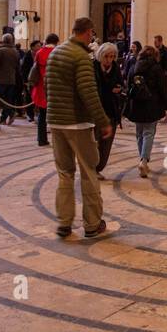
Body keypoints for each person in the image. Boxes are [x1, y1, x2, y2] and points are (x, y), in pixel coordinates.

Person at [45, 17, 112, 238]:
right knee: (88, 171)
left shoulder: (55, 53)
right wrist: (103, 121)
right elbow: (88, 93)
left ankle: (64, 222)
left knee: (64, 172)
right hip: (78, 123)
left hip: (56, 122)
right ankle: (92, 223)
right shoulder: (81, 57)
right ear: (88, 32)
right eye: (92, 34)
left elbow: (47, 86)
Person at [125, 46, 167, 178]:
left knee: (139, 133)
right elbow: (162, 89)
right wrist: (166, 106)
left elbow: (128, 85)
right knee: (149, 133)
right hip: (151, 104)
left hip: (137, 104)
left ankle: (142, 159)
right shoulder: (156, 68)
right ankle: (144, 161)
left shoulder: (134, 67)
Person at [93, 43, 124, 176]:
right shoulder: (92, 67)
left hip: (111, 109)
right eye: (107, 56)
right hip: (96, 109)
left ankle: (99, 168)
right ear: (101, 55)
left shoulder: (116, 68)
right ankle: (91, 168)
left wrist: (119, 89)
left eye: (112, 57)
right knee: (94, 141)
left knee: (106, 144)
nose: (109, 60)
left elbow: (121, 84)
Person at [30, 34, 58, 147]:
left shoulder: (39, 53)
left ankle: (41, 139)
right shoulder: (58, 52)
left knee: (42, 115)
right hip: (55, 88)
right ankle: (58, 141)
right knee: (56, 117)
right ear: (56, 41)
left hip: (42, 88)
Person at [0, 33, 21, 126]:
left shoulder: (1, 51)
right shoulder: (15, 51)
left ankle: (11, 113)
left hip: (0, 79)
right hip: (11, 79)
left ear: (3, 41)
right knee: (8, 100)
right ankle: (3, 119)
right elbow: (17, 66)